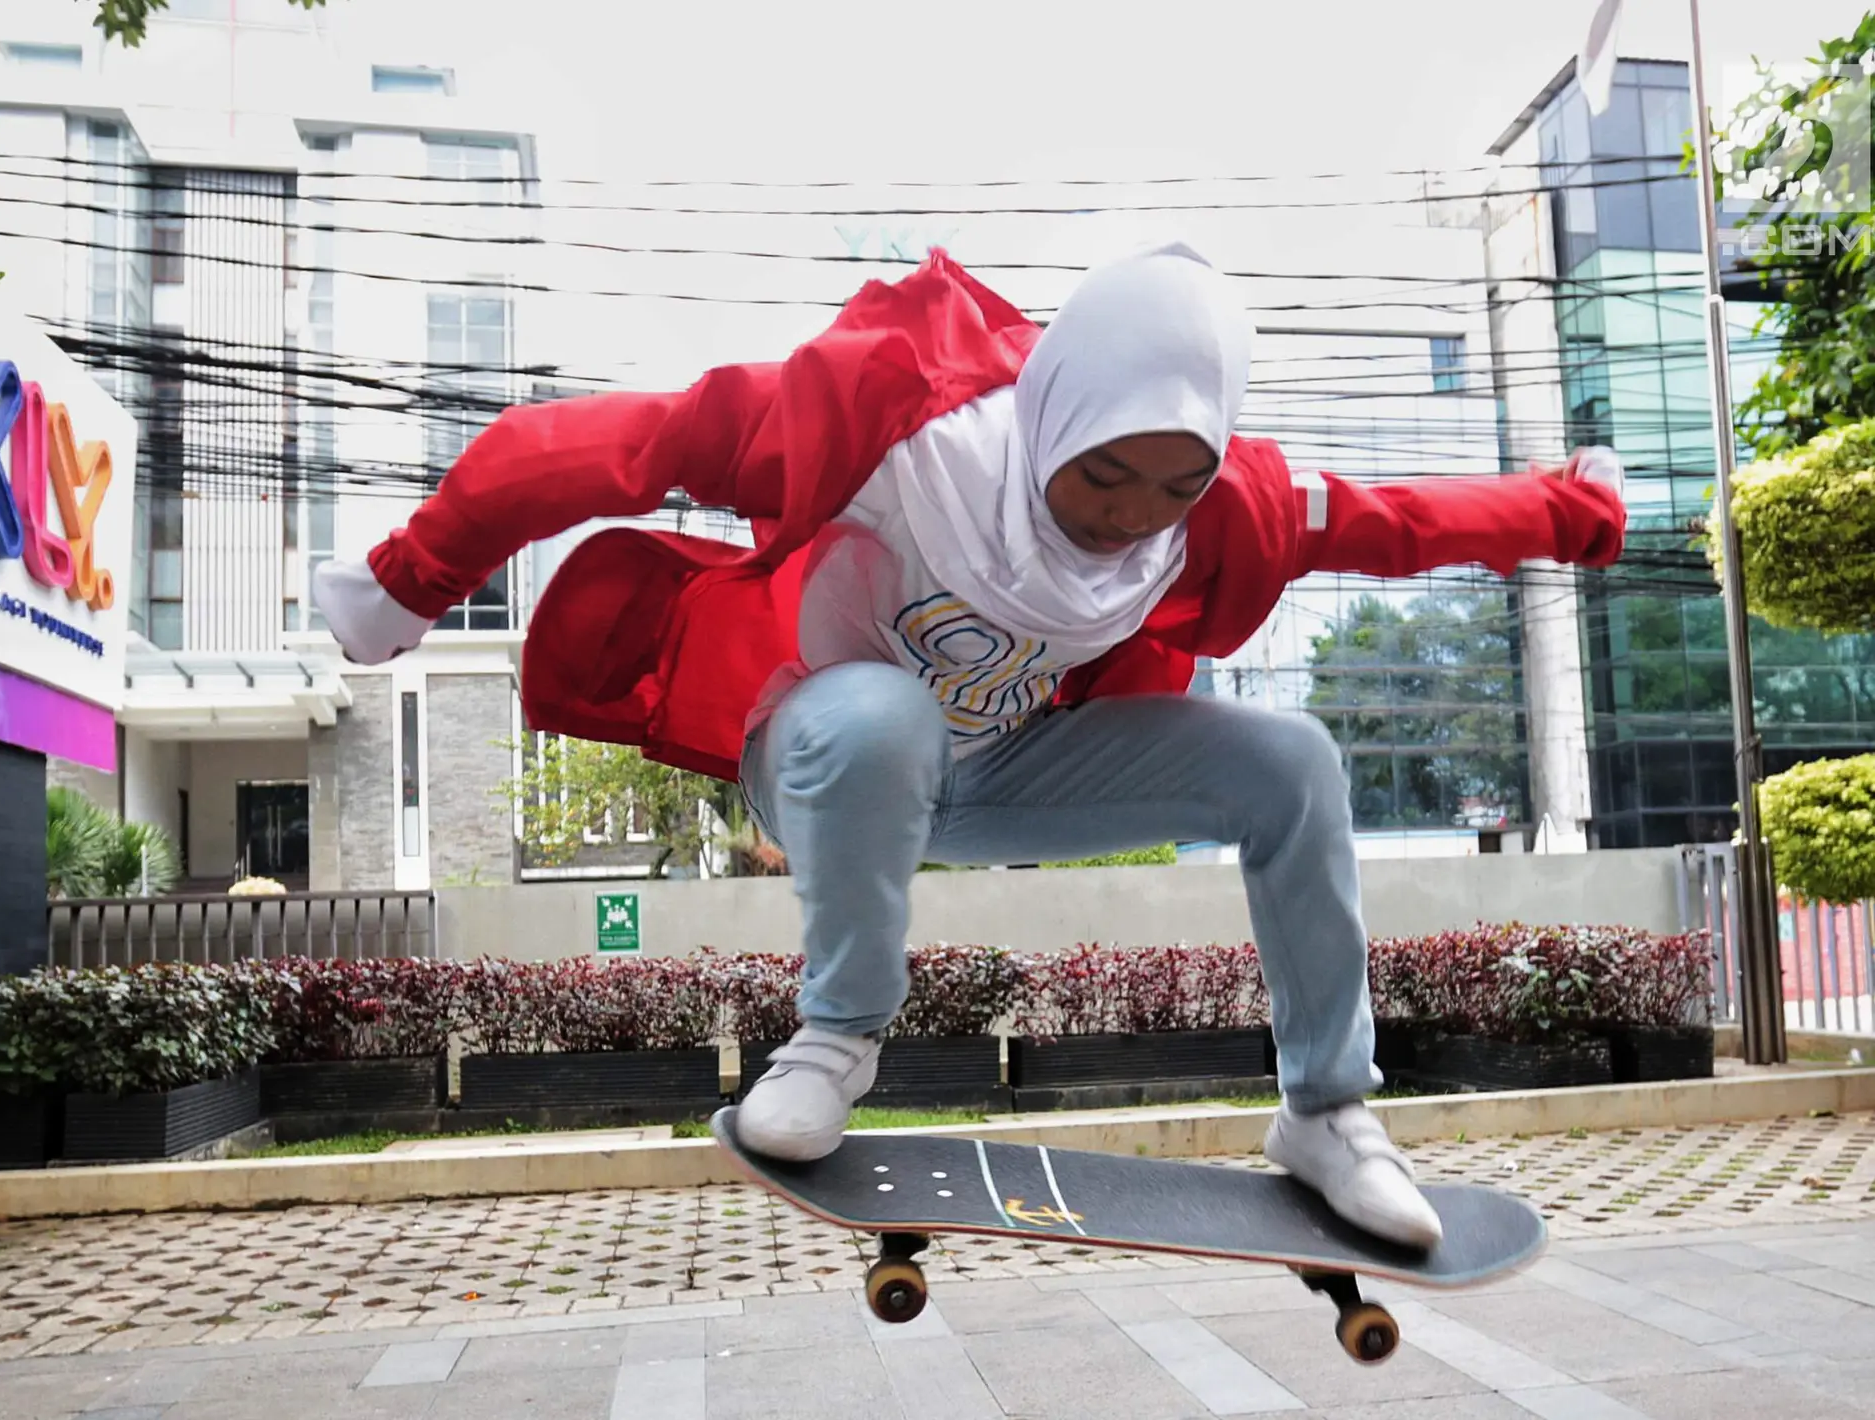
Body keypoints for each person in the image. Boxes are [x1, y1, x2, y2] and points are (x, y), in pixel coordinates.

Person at [313, 241, 1626, 1250]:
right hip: (824, 750)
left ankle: (1327, 1111)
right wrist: (407, 583)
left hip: (1000, 772)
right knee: (879, 712)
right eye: (1105, 474)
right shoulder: (889, 429)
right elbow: (586, 446)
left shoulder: (1218, 512)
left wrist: (1573, 511)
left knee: (1288, 762)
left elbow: (1400, 518)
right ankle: (833, 1042)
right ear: (1055, 410)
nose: (1128, 518)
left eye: (1173, 487)